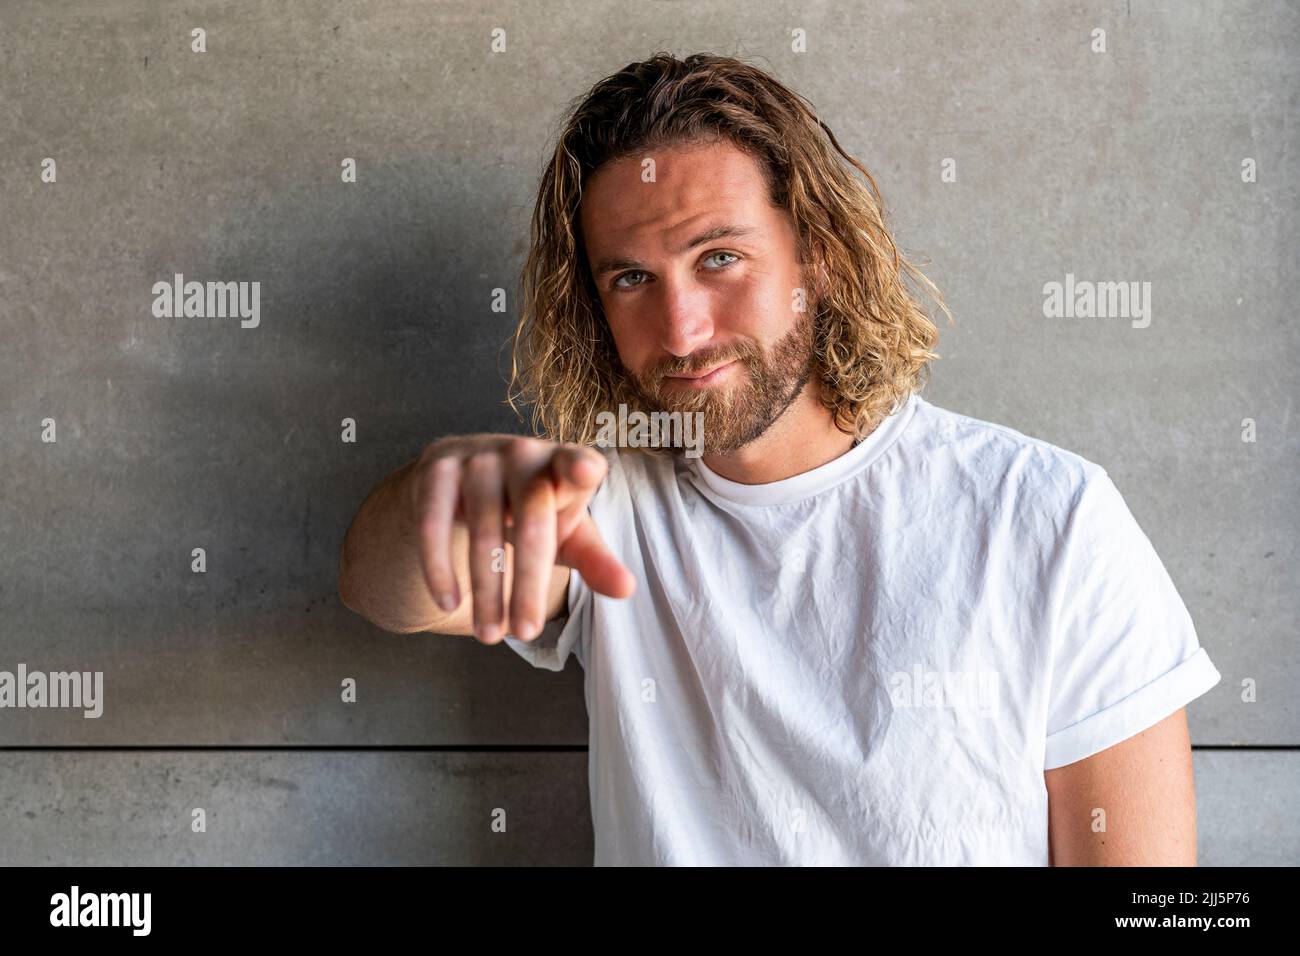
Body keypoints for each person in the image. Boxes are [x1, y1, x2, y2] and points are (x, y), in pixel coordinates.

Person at [338, 52, 1220, 866]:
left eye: (719, 258)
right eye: (632, 279)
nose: (681, 331)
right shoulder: (608, 507)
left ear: (820, 259)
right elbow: (384, 590)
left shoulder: (1049, 518)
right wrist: (439, 489)